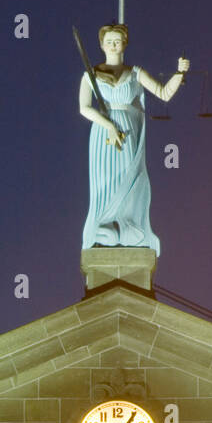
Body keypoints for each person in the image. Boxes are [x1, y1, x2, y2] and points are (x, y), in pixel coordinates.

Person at [79, 23, 189, 252]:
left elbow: (163, 94)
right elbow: (84, 108)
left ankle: (127, 226)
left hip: (128, 134)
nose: (112, 45)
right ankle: (104, 226)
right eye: (108, 41)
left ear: (125, 44)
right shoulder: (90, 75)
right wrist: (108, 124)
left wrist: (180, 73)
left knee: (129, 180)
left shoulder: (135, 73)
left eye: (117, 41)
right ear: (101, 45)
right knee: (105, 183)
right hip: (103, 136)